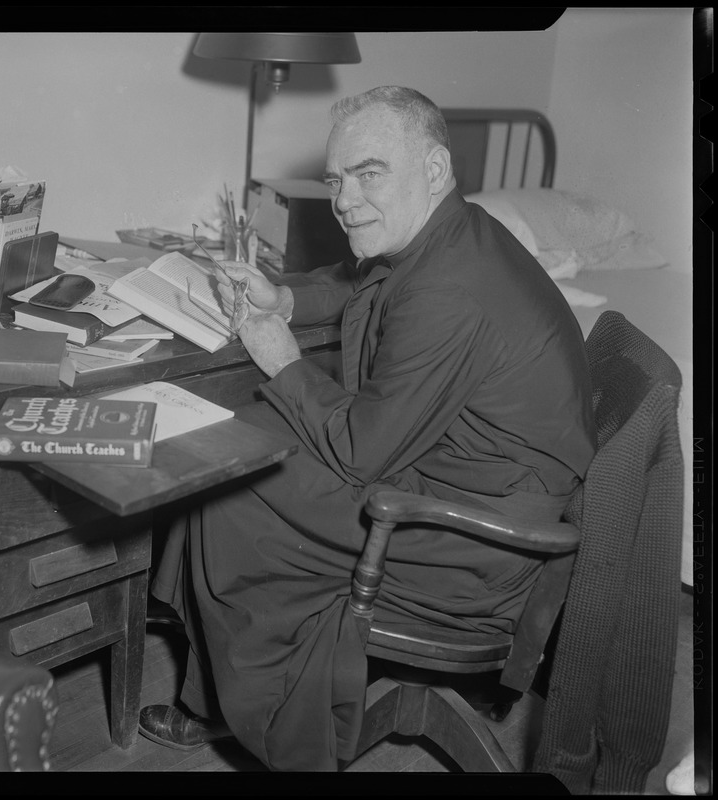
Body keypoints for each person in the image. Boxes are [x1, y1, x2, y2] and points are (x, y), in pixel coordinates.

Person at [138, 86, 596, 771]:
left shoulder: (453, 286)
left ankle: (265, 725)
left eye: (369, 173)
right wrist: (289, 297)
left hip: (475, 537)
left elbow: (361, 451)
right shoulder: (451, 234)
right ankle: (219, 692)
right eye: (336, 179)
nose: (346, 199)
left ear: (435, 169)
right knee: (246, 440)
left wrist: (285, 357)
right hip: (457, 476)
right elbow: (366, 284)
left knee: (230, 485)